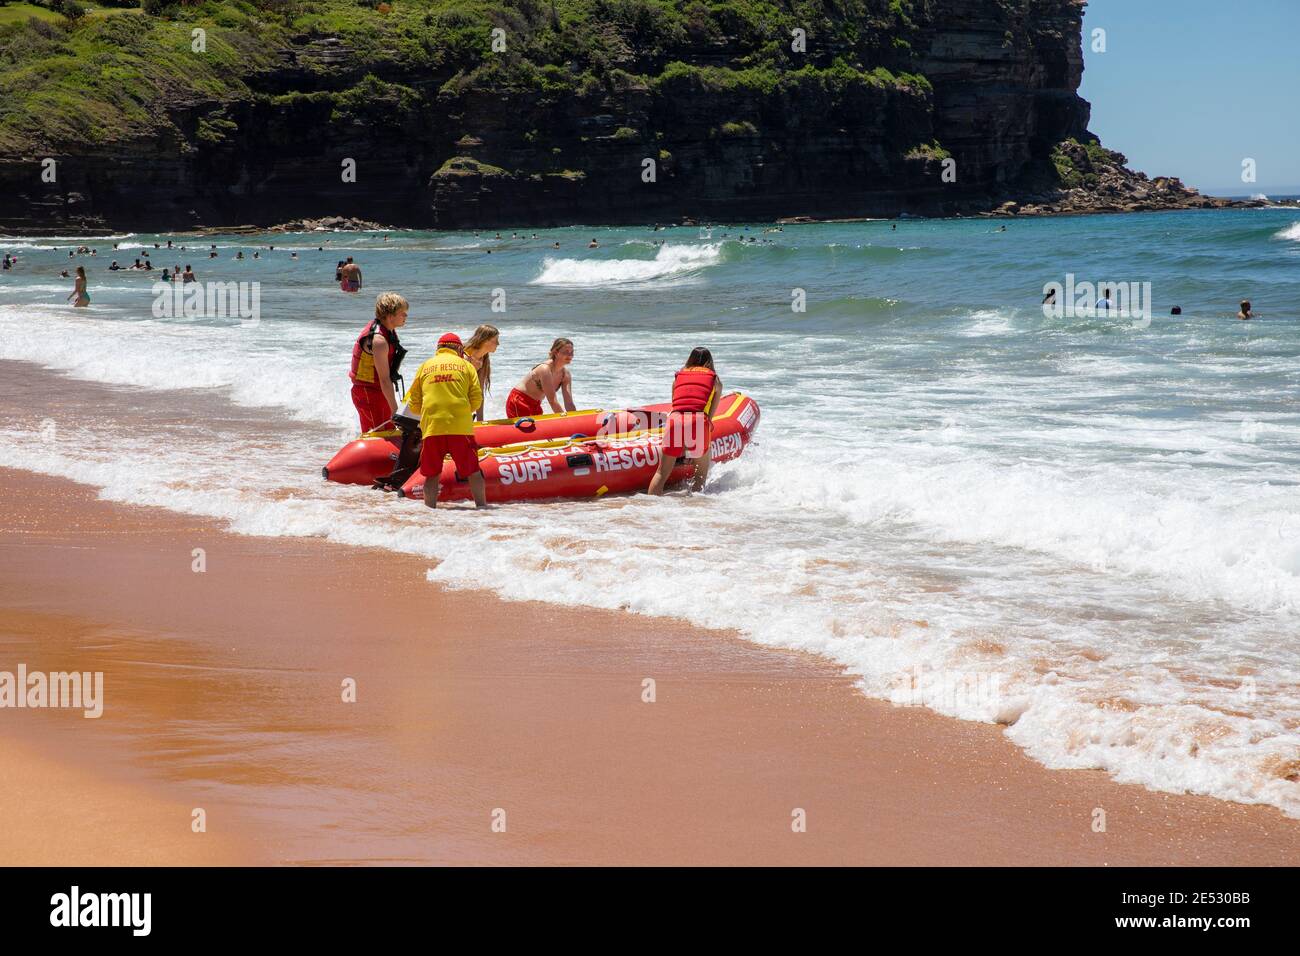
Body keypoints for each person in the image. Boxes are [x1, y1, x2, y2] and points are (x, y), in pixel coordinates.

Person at [406, 332, 486, 509]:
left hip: (433, 427)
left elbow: (413, 403)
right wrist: (463, 412)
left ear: (439, 349)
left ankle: (430, 510)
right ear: (458, 349)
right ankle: (482, 508)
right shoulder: (466, 366)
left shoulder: (425, 366)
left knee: (432, 474)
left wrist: (431, 413)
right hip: (460, 427)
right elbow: (476, 399)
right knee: (473, 471)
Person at [648, 347, 721, 496]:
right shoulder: (715, 380)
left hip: (675, 419)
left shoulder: (678, 377)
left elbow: (675, 402)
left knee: (661, 473)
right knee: (700, 473)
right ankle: (692, 512)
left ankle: (650, 508)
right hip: (698, 420)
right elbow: (711, 410)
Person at [348, 292, 409, 433]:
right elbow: (384, 379)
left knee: (389, 433)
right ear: (390, 315)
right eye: (402, 313)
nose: (406, 316)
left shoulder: (388, 330)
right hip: (368, 394)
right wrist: (396, 411)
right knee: (378, 435)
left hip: (379, 392)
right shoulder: (379, 340)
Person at [506, 338, 576, 418]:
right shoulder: (545, 369)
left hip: (536, 404)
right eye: (566, 352)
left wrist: (575, 419)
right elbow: (553, 401)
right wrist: (565, 420)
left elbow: (569, 403)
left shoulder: (565, 374)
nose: (570, 355)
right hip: (519, 401)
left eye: (572, 352)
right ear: (556, 352)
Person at [462, 324, 500, 422]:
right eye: (495, 340)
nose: (498, 344)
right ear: (485, 340)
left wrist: (480, 420)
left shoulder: (483, 359)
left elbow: (480, 392)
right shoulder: (464, 355)